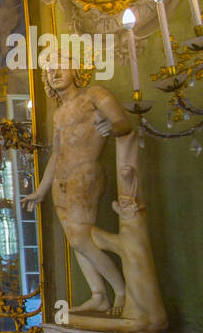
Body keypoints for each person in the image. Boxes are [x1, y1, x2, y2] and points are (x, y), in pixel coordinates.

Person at [23, 61, 131, 313]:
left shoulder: (95, 95)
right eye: (50, 71)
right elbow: (56, 155)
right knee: (75, 240)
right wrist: (41, 190)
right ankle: (98, 294)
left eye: (61, 67)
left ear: (76, 70)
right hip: (61, 181)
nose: (55, 73)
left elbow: (123, 123)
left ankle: (123, 290)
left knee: (82, 238)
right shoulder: (58, 114)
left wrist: (113, 127)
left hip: (85, 174)